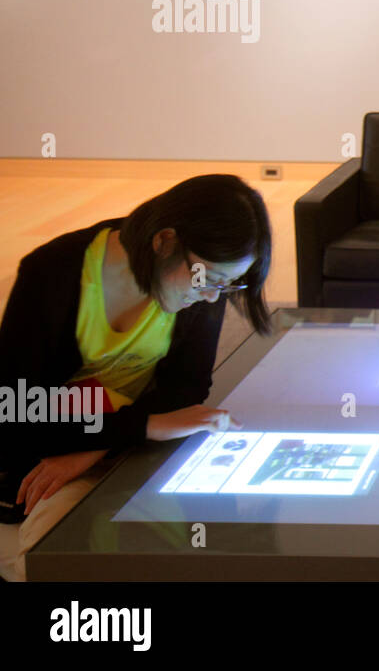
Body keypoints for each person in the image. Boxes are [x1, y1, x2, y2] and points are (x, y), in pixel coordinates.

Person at [0, 174, 272, 581]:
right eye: (212, 279)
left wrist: (104, 442)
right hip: (54, 447)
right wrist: (144, 425)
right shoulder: (52, 273)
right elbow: (18, 412)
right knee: (61, 553)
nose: (215, 296)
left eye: (229, 284)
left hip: (122, 443)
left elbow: (186, 391)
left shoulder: (198, 289)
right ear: (164, 241)